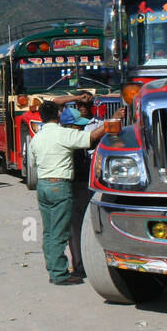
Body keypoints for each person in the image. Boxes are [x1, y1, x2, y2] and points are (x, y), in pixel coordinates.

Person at [32, 100, 104, 285]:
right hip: (59, 186)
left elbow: (32, 163)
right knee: (60, 233)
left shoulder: (37, 137)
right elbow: (90, 138)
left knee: (49, 231)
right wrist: (109, 126)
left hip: (43, 186)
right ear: (57, 115)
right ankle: (60, 274)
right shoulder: (63, 134)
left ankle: (53, 269)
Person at [65, 104, 99, 278]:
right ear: (70, 126)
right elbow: (92, 138)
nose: (82, 128)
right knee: (76, 227)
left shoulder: (69, 136)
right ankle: (79, 266)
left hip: (80, 186)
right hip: (75, 186)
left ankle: (81, 264)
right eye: (79, 125)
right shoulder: (71, 139)